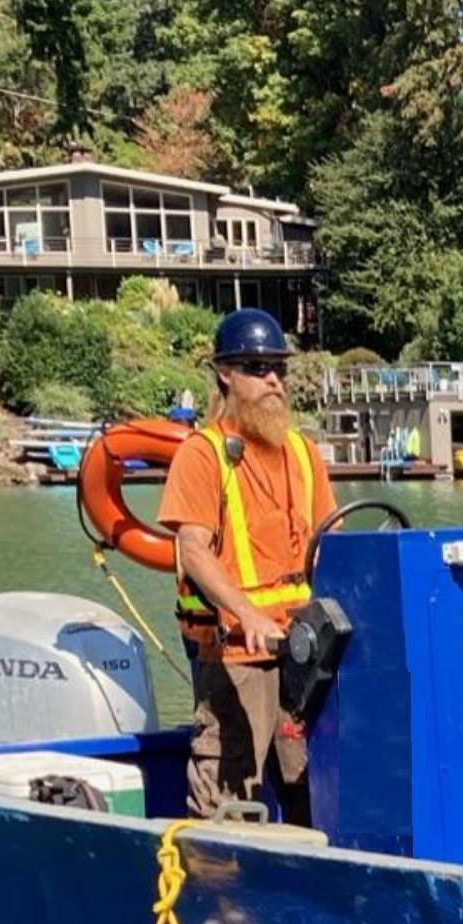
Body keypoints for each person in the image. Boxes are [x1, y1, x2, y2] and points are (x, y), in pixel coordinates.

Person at [157, 309, 334, 818]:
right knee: (226, 795)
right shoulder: (204, 454)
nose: (272, 379)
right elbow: (192, 550)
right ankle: (214, 893)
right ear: (224, 374)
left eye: (278, 367)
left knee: (309, 786)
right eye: (256, 367)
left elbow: (333, 543)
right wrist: (246, 613)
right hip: (234, 657)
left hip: (302, 657)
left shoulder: (302, 454)